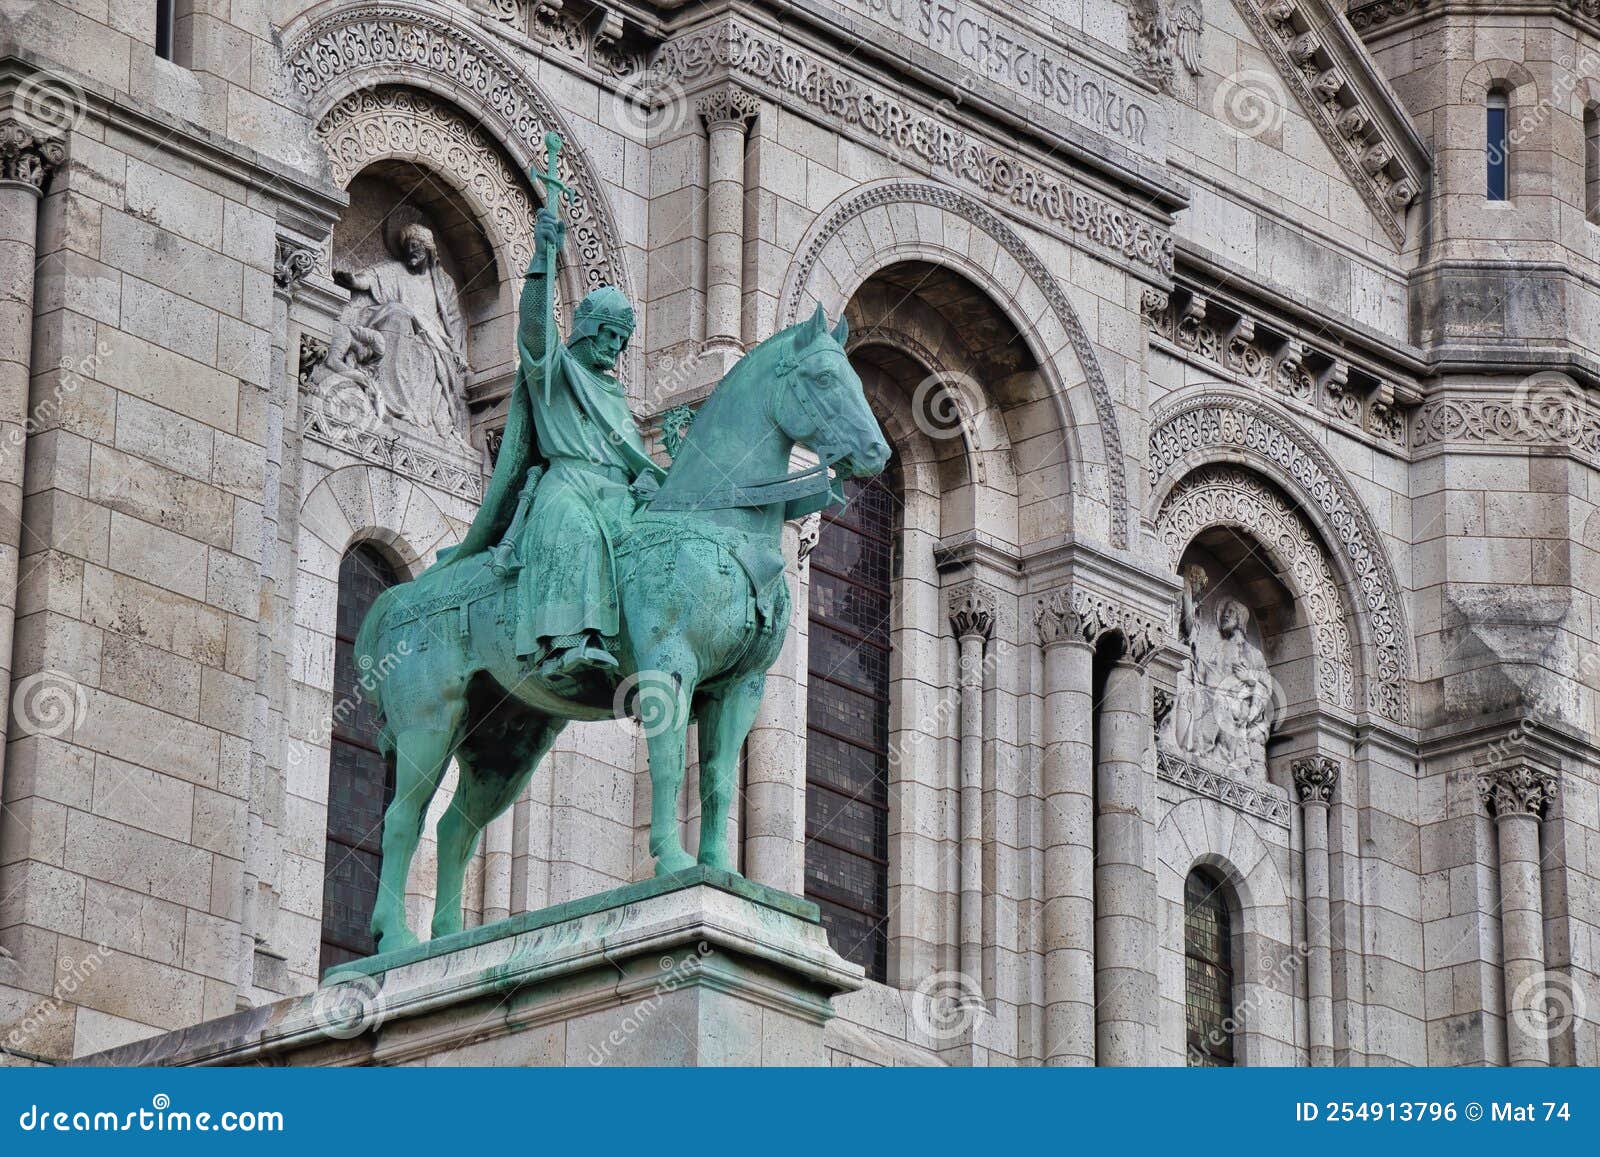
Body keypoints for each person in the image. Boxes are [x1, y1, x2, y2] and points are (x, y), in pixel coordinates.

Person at [444, 207, 664, 688]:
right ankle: (568, 644)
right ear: (587, 329)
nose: (614, 347)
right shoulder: (556, 372)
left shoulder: (615, 393)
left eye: (621, 340)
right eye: (607, 334)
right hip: (567, 486)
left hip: (616, 494)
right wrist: (543, 259)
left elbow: (630, 456)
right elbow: (535, 331)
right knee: (579, 531)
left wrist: (645, 480)